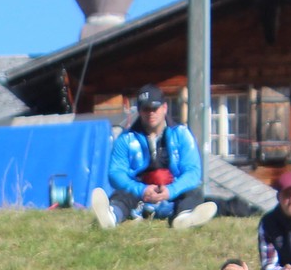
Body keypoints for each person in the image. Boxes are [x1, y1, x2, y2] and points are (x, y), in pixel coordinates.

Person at [91, 85, 217, 230]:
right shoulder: (126, 138)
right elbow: (115, 173)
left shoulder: (182, 134)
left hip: (173, 192)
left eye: (154, 108)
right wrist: (141, 190)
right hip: (139, 195)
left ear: (164, 108)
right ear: (139, 111)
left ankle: (184, 217)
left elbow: (193, 172)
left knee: (194, 192)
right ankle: (112, 216)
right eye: (145, 109)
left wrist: (171, 190)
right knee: (122, 194)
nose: (151, 113)